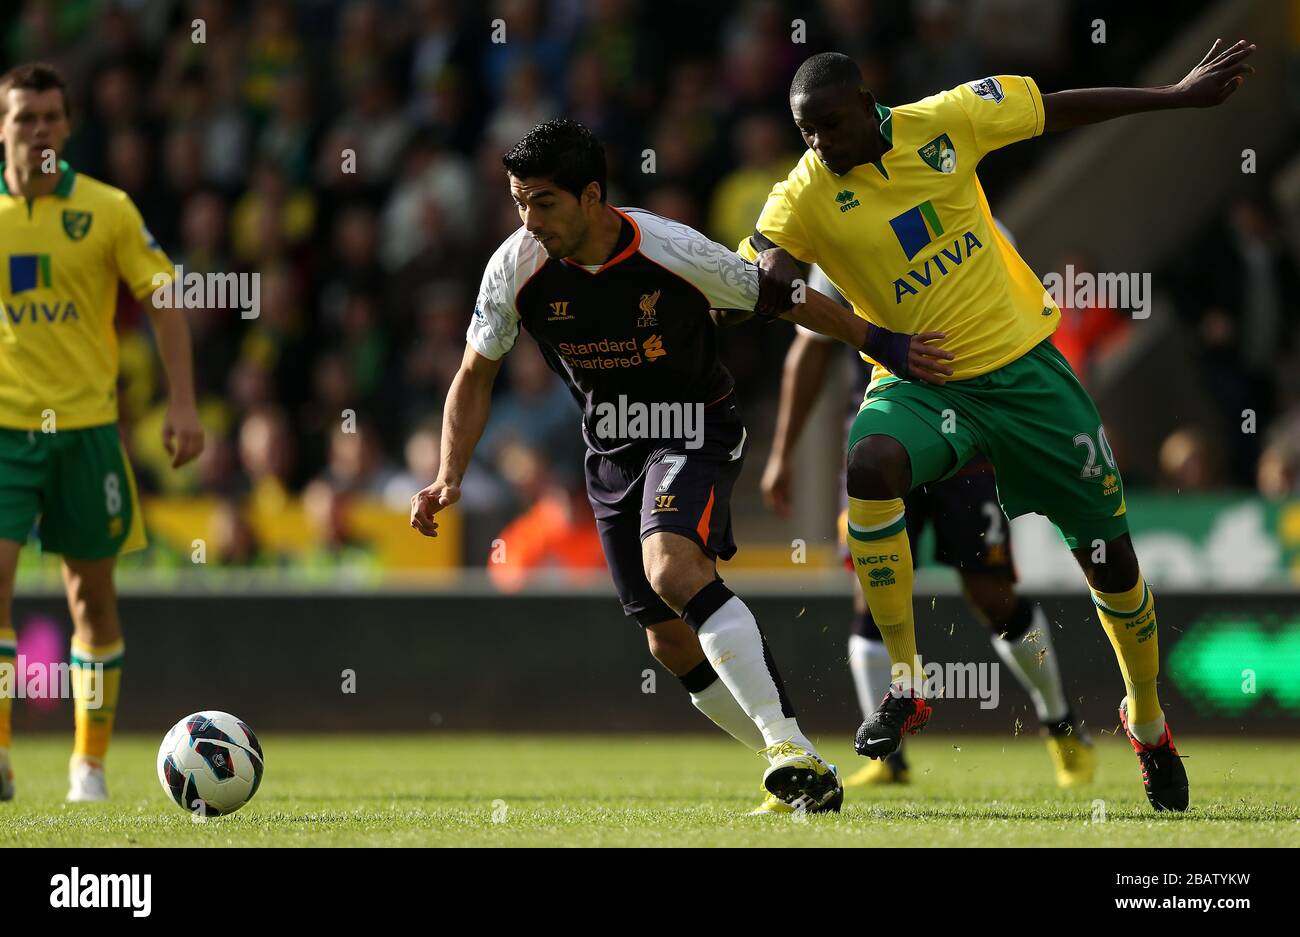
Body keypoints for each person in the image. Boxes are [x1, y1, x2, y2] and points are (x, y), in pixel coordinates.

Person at [743, 43, 1257, 811]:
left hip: (1027, 378)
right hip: (922, 383)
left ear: (866, 103)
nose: (817, 144)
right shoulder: (806, 192)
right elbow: (765, 272)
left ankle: (1145, 722)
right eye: (804, 131)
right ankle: (908, 687)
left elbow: (1059, 108)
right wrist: (773, 286)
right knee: (870, 463)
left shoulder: (948, 121)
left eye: (829, 126)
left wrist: (1176, 96)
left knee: (1111, 562)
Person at [409, 119, 941, 814]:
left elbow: (785, 298)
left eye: (544, 202)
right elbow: (475, 372)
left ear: (592, 196)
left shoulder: (672, 249)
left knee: (673, 568)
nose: (528, 219)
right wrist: (451, 472)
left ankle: (782, 742)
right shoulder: (515, 266)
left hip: (696, 427)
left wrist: (884, 343)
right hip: (611, 449)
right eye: (518, 201)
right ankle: (803, 763)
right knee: (665, 637)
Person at [762, 266, 1093, 788]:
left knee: (991, 591)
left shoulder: (971, 223)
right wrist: (783, 452)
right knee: (870, 588)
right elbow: (810, 347)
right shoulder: (833, 235)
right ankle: (886, 756)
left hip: (966, 437)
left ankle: (1060, 722)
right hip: (883, 441)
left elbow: (1025, 325)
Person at [0, 63, 204, 802]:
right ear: (3, 128)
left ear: (68, 124)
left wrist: (183, 403)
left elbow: (167, 294)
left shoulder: (108, 209)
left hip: (88, 431)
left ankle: (88, 766)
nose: (41, 129)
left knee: (92, 600)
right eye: (25, 117)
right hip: (4, 434)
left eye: (52, 115)